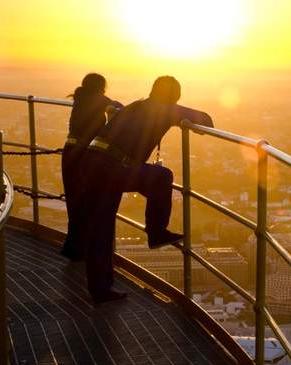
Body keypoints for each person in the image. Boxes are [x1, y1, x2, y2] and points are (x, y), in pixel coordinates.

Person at [81, 75, 213, 304]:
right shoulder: (164, 109)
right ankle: (156, 231)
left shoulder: (137, 105)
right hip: (113, 168)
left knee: (100, 229)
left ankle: (99, 288)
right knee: (162, 177)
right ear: (173, 96)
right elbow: (206, 120)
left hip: (93, 163)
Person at [59, 73, 123, 260]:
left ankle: (74, 249)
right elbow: (117, 106)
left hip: (69, 151)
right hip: (84, 154)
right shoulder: (99, 99)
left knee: (74, 202)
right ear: (101, 86)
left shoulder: (80, 98)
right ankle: (82, 250)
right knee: (87, 202)